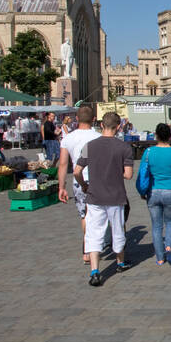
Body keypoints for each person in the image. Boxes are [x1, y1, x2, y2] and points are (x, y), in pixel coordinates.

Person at [76, 112, 134, 287]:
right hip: (115, 196)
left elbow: (78, 171)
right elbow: (128, 175)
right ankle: (120, 262)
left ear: (102, 125)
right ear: (118, 127)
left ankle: (94, 271)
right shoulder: (124, 147)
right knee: (118, 230)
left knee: (94, 233)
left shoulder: (89, 146)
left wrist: (84, 186)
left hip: (94, 196)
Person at [57, 104, 103, 263]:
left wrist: (61, 187)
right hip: (97, 179)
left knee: (84, 215)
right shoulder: (98, 137)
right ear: (94, 119)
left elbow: (63, 164)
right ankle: (94, 247)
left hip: (78, 180)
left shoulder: (68, 138)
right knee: (96, 215)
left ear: (76, 119)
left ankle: (87, 250)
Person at [141, 123, 171, 266]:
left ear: (156, 135)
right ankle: (169, 247)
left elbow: (143, 173)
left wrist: (143, 191)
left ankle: (160, 258)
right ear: (170, 136)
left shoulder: (148, 152)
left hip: (153, 191)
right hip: (170, 191)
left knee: (156, 226)